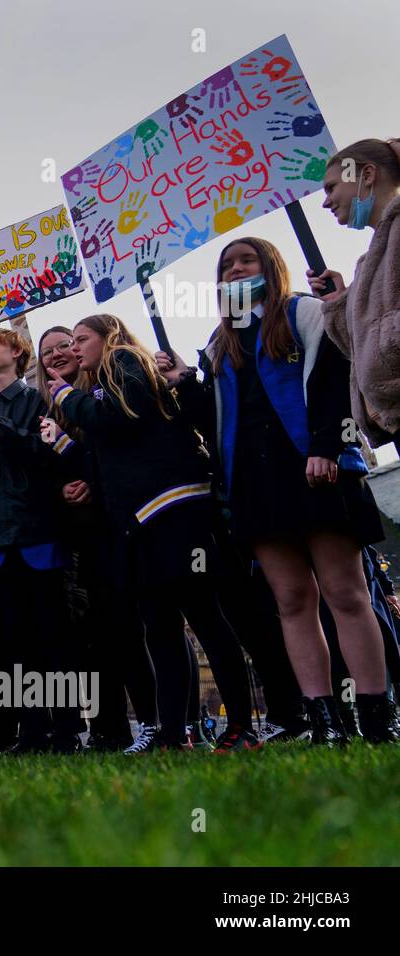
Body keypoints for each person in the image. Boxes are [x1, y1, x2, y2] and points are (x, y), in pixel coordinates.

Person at [162, 237, 395, 744]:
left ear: (270, 266)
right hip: (255, 482)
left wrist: (327, 448)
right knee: (291, 600)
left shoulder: (304, 313)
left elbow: (336, 379)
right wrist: (185, 381)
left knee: (345, 593)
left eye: (246, 260)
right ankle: (324, 719)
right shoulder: (219, 344)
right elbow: (218, 419)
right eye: (227, 265)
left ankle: (377, 714)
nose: (236, 269)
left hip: (314, 466)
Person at [50, 314, 258, 752]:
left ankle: (241, 725)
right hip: (140, 520)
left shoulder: (124, 361)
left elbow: (118, 418)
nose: (73, 348)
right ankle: (171, 732)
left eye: (81, 338)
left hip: (174, 508)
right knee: (160, 627)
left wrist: (67, 396)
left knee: (203, 616)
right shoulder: (103, 379)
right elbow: (109, 444)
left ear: (111, 337)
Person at [0, 325, 79, 753]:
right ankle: (30, 730)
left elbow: (47, 452)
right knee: (13, 641)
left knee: (53, 637)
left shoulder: (37, 400)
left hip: (36, 533)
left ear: (17, 352)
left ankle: (65, 730)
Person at [37, 327, 156, 752]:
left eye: (64, 345)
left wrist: (88, 479)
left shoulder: (106, 388)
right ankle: (109, 728)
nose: (55, 355)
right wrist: (62, 490)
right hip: (79, 537)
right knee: (96, 636)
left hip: (122, 523)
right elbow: (45, 470)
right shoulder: (47, 415)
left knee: (137, 627)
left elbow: (116, 442)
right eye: (46, 352)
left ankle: (163, 722)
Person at [310, 137, 400, 455]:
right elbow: (356, 351)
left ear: (367, 175)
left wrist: (386, 344)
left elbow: (380, 341)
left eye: (331, 187)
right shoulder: (367, 263)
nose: (326, 202)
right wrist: (340, 304)